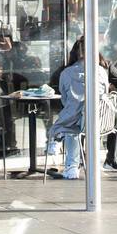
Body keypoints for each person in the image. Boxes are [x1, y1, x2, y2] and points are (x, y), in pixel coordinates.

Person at [45, 37, 108, 180]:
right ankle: (90, 164)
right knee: (79, 116)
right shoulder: (102, 71)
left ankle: (71, 166)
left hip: (76, 120)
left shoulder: (66, 73)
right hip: (100, 121)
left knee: (72, 121)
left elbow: (64, 99)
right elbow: (106, 94)